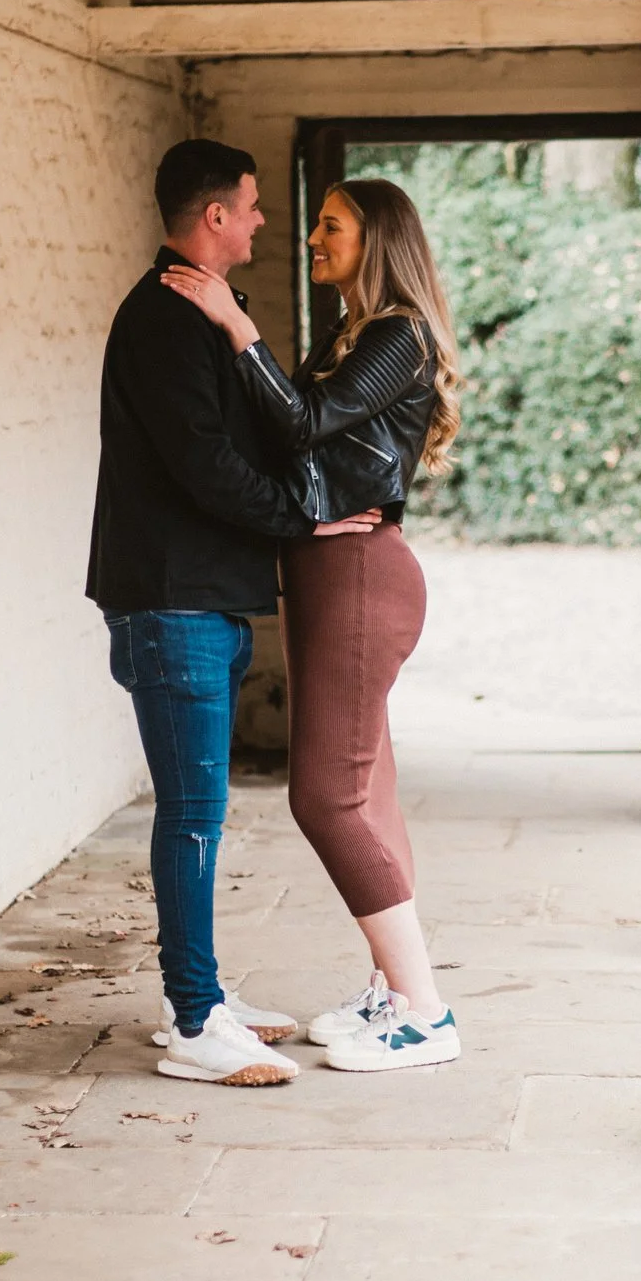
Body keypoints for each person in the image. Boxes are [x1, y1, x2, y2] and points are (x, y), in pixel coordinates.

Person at [88, 140, 381, 1088]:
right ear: (215, 215)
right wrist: (307, 516)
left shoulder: (206, 307)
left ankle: (206, 994)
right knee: (191, 815)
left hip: (203, 597)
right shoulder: (163, 319)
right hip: (169, 601)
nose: (261, 220)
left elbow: (270, 426)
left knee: (201, 812)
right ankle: (192, 1022)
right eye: (252, 206)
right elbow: (207, 466)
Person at [163, 178, 463, 1072]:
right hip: (330, 571)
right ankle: (392, 989)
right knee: (368, 789)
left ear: (378, 241)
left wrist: (234, 323)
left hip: (358, 573)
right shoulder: (352, 334)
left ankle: (425, 1011)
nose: (312, 237)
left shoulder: (398, 333)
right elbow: (282, 440)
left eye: (332, 226)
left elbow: (303, 423)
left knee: (324, 795)